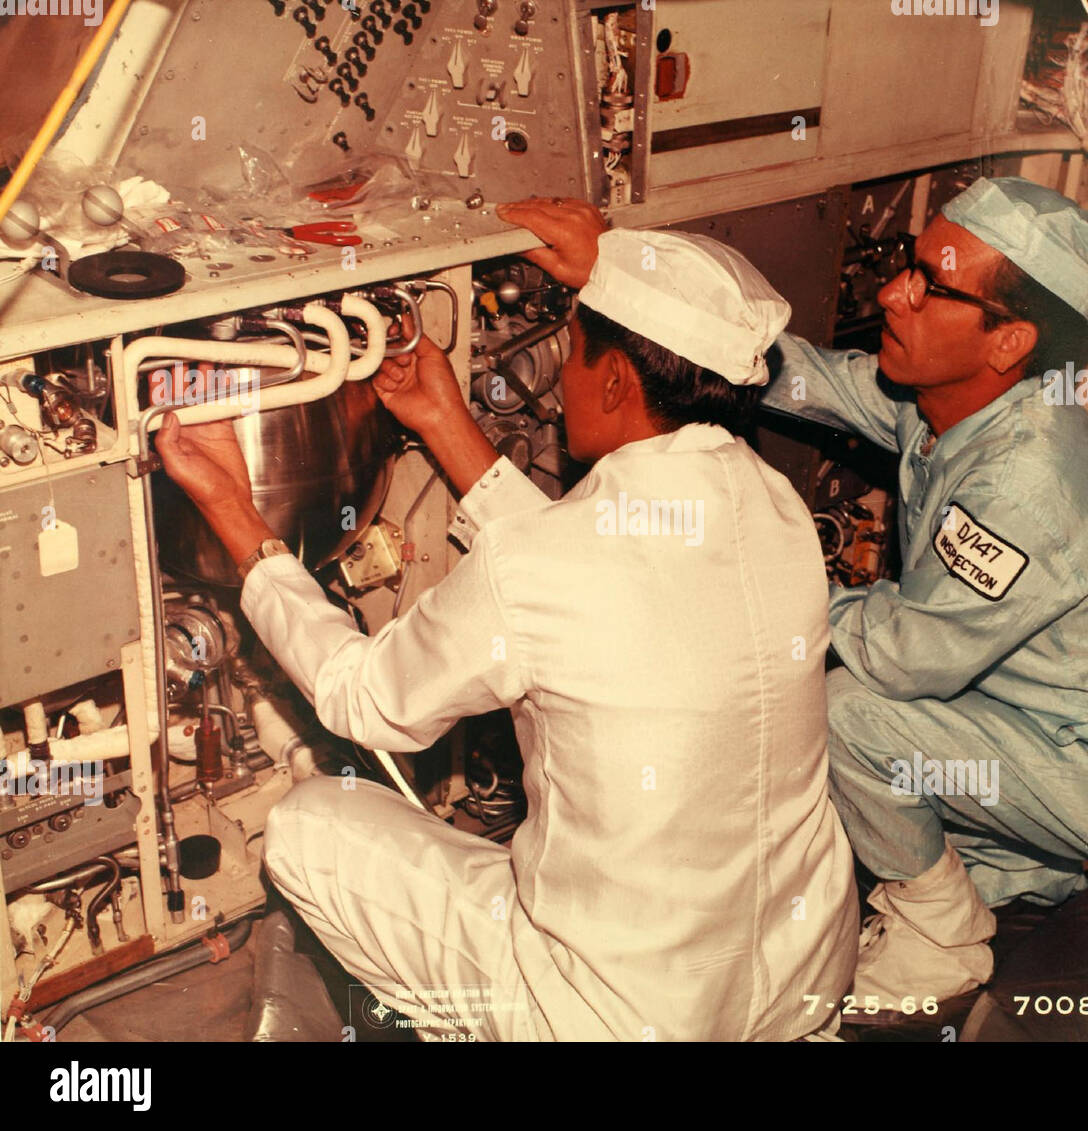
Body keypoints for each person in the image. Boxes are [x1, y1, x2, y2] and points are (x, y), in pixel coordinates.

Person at [500, 179, 1088, 1012]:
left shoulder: (1029, 486)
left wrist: (753, 580)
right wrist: (628, 268)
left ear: (1008, 341)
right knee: (905, 794)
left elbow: (902, 658)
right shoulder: (964, 404)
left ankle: (944, 934)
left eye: (933, 286)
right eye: (909, 264)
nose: (894, 293)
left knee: (846, 710)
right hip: (1072, 715)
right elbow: (801, 376)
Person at [154, 223, 859, 1042]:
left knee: (311, 824)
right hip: (798, 983)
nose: (560, 377)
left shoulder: (547, 564)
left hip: (611, 1019)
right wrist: (449, 424)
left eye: (575, 352)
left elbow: (363, 699)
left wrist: (241, 523)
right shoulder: (776, 509)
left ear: (617, 380)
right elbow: (599, 580)